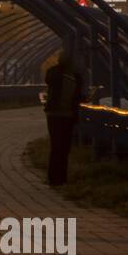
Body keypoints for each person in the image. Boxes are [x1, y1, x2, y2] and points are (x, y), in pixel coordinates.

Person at [44, 49, 85, 187]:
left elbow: (77, 96)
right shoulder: (56, 73)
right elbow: (50, 80)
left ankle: (60, 178)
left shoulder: (76, 77)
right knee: (58, 146)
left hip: (65, 115)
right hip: (57, 115)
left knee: (63, 147)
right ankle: (55, 178)